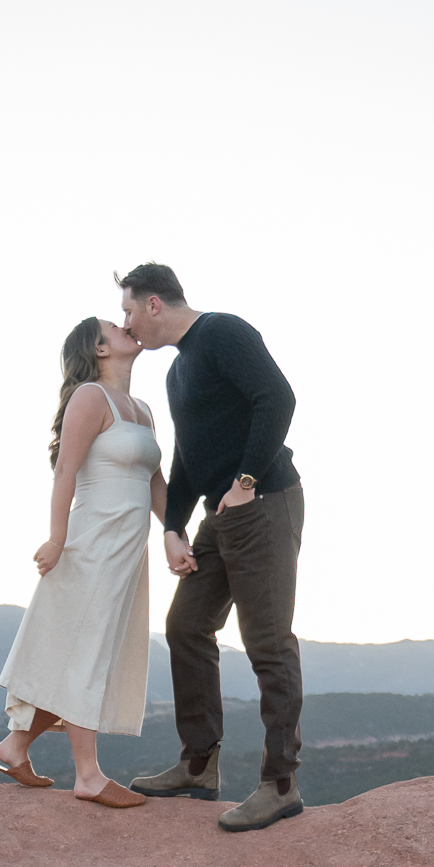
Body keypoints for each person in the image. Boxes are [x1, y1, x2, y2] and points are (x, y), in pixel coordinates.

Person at [117, 262, 305, 831]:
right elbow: (190, 455)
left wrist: (246, 481)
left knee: (267, 642)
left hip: (263, 502)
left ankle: (280, 785)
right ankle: (198, 765)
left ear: (154, 304)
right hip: (220, 517)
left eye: (129, 310)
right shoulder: (178, 371)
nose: (126, 325)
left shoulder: (223, 332)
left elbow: (278, 398)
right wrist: (172, 526)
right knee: (187, 625)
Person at [0, 315, 164, 809]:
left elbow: (156, 481)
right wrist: (56, 538)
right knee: (85, 652)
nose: (127, 326)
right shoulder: (90, 397)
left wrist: (176, 533)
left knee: (89, 651)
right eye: (114, 326)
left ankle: (15, 746)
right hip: (92, 543)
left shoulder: (143, 410)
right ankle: (88, 775)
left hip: (129, 548)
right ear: (100, 348)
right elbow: (65, 469)